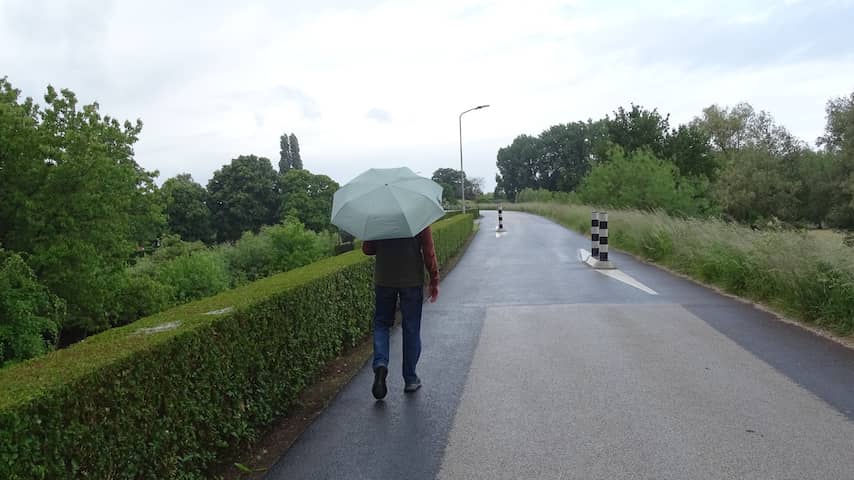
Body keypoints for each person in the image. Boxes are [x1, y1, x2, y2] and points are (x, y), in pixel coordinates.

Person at [361, 226, 439, 399]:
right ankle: (410, 378)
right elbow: (428, 250)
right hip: (411, 280)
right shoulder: (417, 213)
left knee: (381, 324)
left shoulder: (378, 214)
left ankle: (381, 363)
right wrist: (434, 279)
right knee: (411, 328)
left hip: (384, 279)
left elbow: (367, 249)